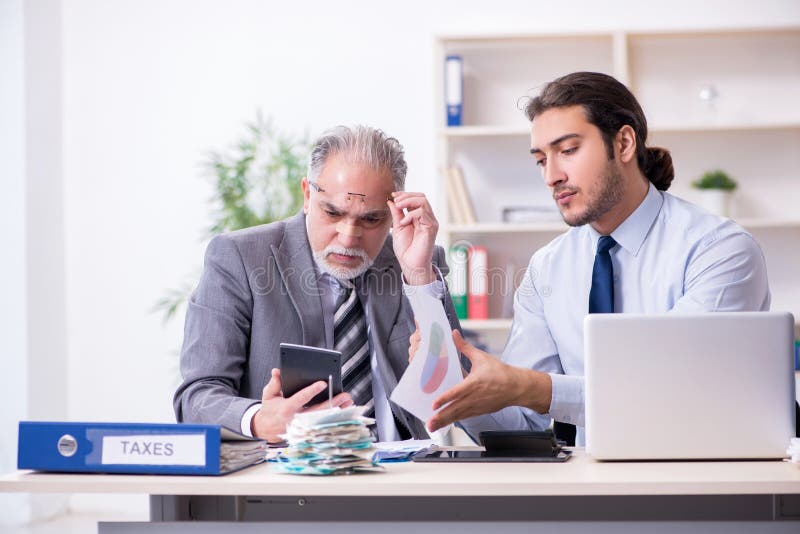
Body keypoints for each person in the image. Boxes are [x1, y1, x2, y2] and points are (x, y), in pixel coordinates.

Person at [423, 71, 770, 445]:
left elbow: (673, 395)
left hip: (700, 485)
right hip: (586, 492)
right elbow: (519, 426)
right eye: (541, 160)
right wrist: (458, 382)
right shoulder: (547, 268)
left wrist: (533, 388)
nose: (551, 176)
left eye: (568, 150)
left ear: (623, 143)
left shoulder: (719, 250)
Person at [174, 125, 461, 443]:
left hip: (402, 473)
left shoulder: (414, 261)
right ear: (308, 195)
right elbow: (196, 398)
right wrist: (259, 420)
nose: (349, 236)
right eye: (333, 212)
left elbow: (460, 392)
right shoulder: (240, 257)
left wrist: (419, 279)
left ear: (395, 214)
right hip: (289, 479)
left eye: (371, 219)